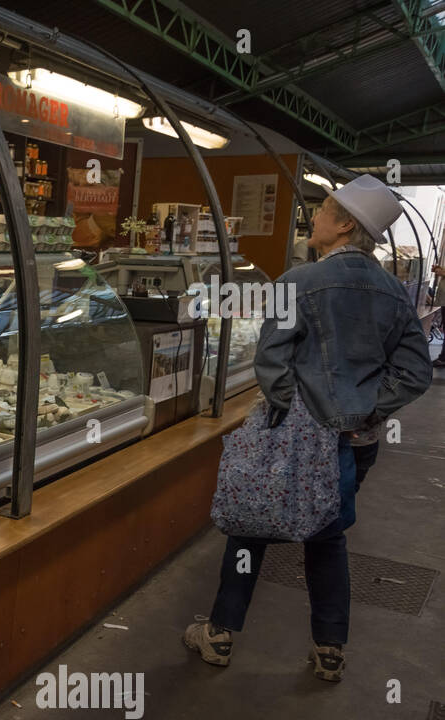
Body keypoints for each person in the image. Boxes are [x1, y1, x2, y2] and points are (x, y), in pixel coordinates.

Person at [183, 175, 433, 682]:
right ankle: (329, 649)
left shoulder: (299, 281)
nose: (314, 218)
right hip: (355, 442)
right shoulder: (391, 290)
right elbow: (415, 372)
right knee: (328, 536)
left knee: (252, 527)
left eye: (323, 211)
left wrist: (292, 412)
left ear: (344, 225)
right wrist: (364, 410)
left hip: (296, 437)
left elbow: (272, 362)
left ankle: (221, 633)